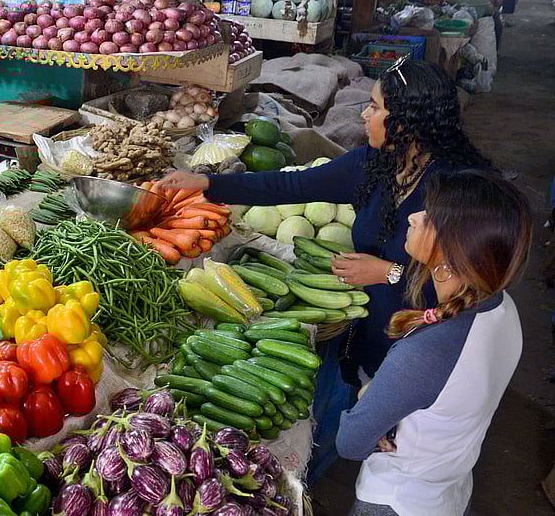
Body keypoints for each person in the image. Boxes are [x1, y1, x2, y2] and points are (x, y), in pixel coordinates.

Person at [155, 58, 490, 480]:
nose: (364, 114)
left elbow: (475, 283)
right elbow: (289, 185)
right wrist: (210, 184)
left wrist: (390, 272)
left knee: (403, 445)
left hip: (422, 340)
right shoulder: (374, 163)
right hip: (368, 326)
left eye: (375, 107)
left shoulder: (459, 189)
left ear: (407, 120)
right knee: (360, 419)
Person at [336, 170, 531, 516]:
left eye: (427, 216)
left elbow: (350, 443)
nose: (413, 217)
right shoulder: (504, 308)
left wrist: (371, 397)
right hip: (451, 489)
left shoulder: (424, 353)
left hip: (396, 501)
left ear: (453, 248)